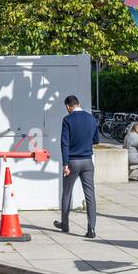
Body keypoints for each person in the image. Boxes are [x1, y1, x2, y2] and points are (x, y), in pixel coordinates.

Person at [56, 95, 98, 238]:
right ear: (79, 103)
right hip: (87, 161)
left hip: (72, 162)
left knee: (67, 192)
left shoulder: (67, 120)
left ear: (68, 106)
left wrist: (65, 164)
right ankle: (91, 229)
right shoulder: (91, 119)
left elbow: (64, 143)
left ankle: (65, 224)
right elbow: (96, 139)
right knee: (90, 195)